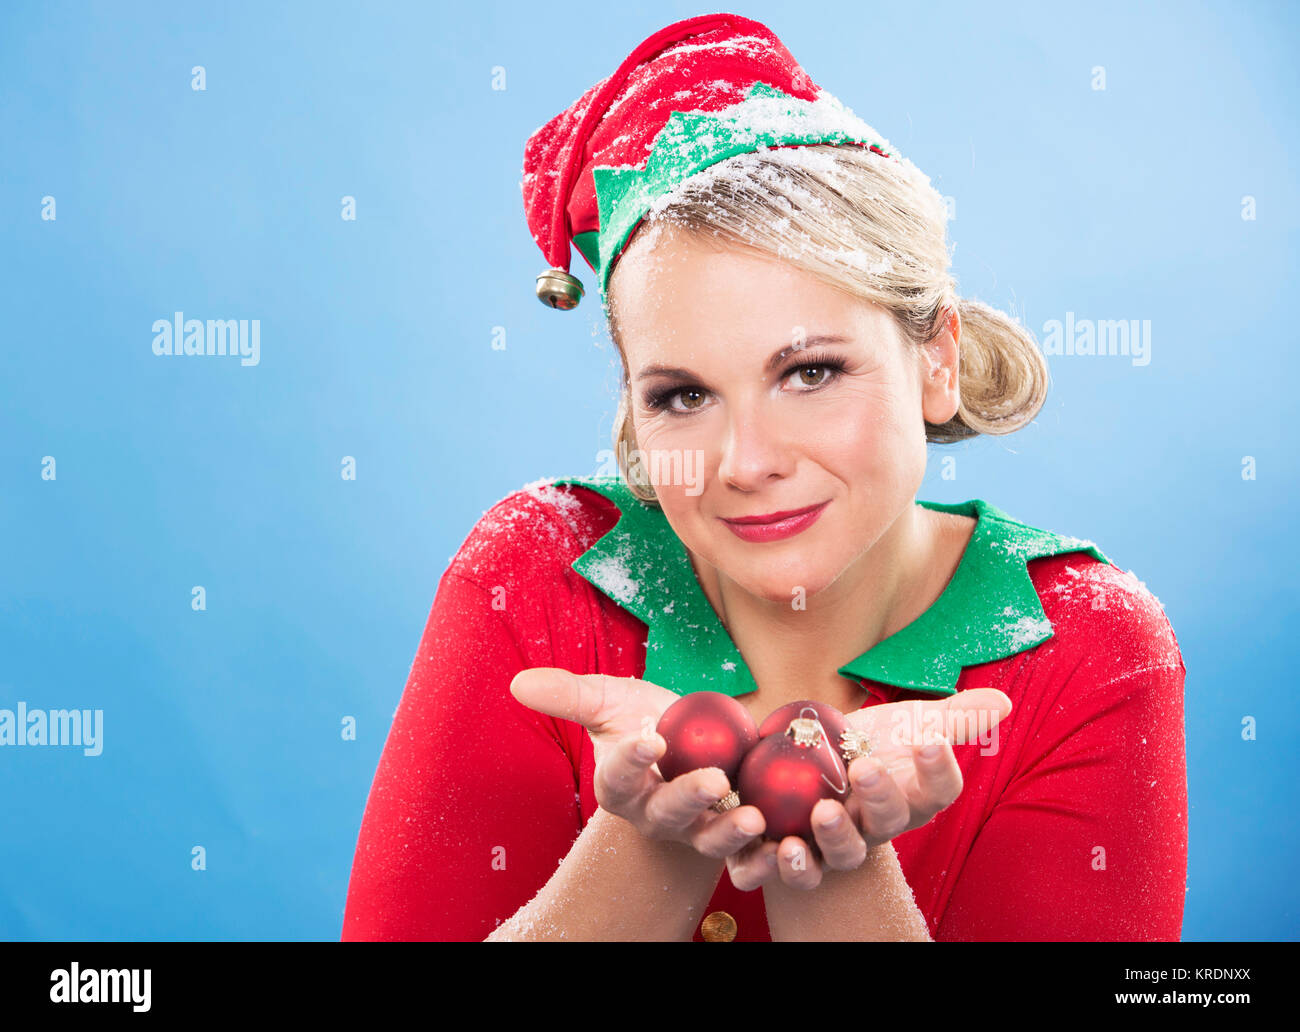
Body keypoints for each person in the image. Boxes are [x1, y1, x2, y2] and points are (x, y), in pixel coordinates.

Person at [340, 13, 1187, 942]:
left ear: (937, 359)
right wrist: (652, 835)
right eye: (683, 395)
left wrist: (836, 867)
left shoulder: (1088, 646)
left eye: (810, 373)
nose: (745, 464)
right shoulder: (530, 576)